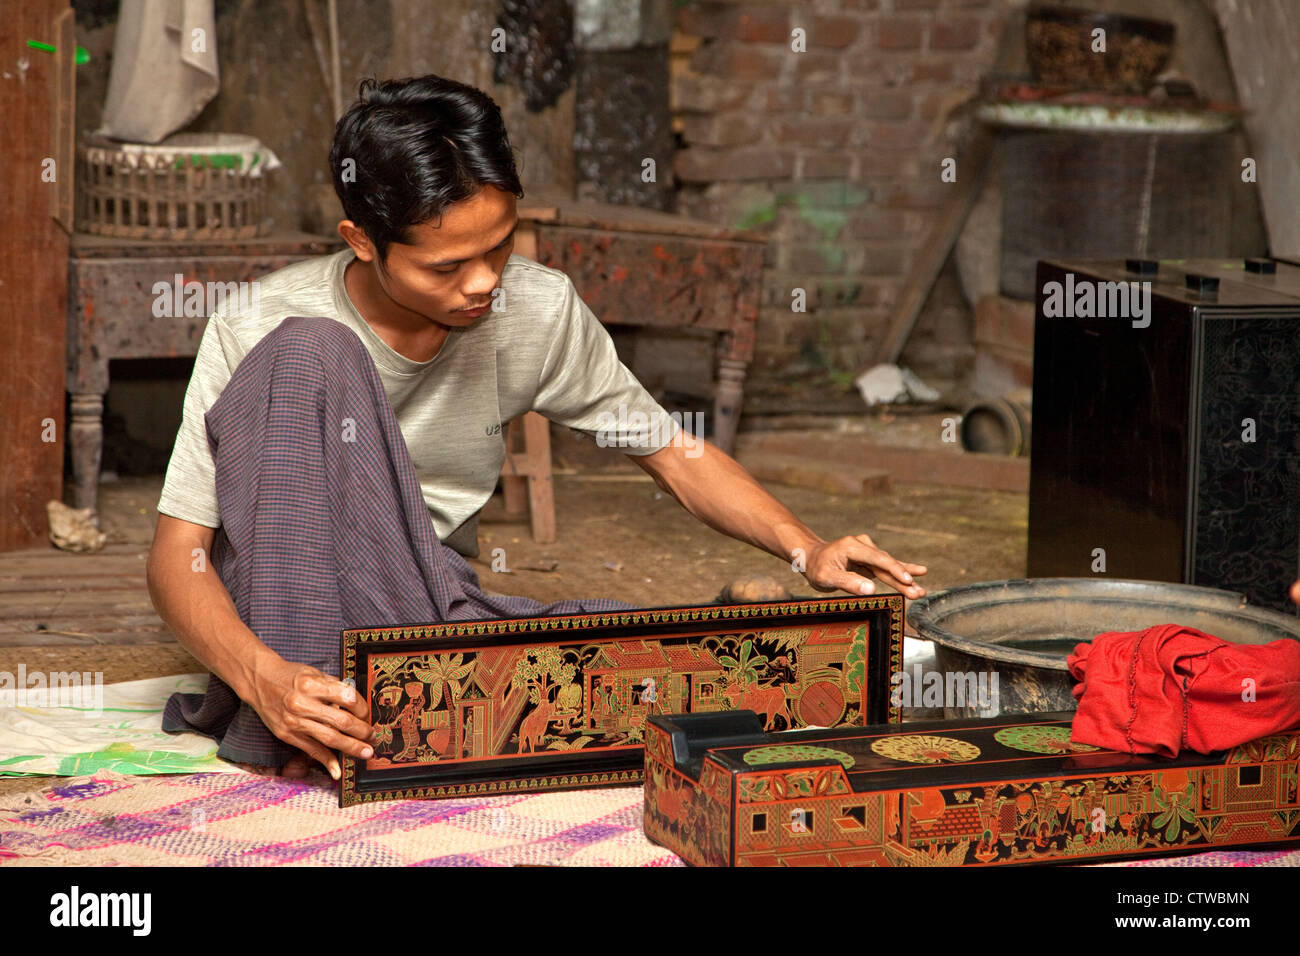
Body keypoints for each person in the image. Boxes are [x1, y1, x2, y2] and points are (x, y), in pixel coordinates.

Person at [146, 74, 927, 780]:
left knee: (650, 666)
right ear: (362, 243)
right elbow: (177, 558)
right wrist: (262, 679)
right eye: (446, 268)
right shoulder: (258, 324)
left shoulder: (535, 307)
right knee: (311, 351)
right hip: (286, 603)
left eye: (499, 246)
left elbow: (672, 452)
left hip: (424, 605)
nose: (483, 284)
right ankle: (313, 711)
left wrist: (806, 547)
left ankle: (403, 706)